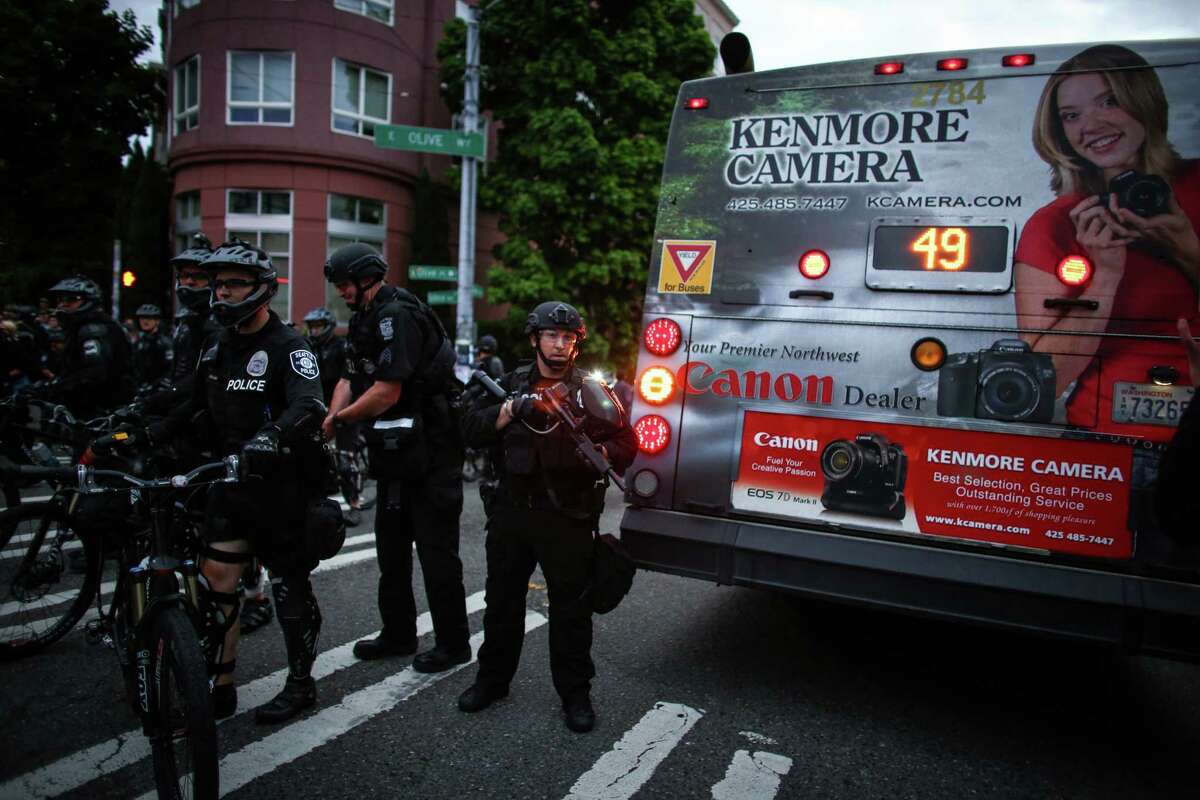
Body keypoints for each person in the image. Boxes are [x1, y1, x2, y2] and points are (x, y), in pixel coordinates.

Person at [122, 241, 332, 723]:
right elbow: (188, 401)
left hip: (281, 487)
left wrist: (271, 435)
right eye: (217, 283)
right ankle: (220, 682)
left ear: (261, 289)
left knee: (289, 590)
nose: (222, 291)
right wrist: (139, 426)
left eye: (233, 282)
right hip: (229, 481)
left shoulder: (290, 345)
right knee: (218, 581)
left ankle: (301, 683)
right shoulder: (216, 343)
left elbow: (309, 405)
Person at [457, 301, 636, 733]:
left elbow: (628, 442)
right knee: (501, 604)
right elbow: (468, 427)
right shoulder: (510, 383)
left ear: (576, 344)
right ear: (535, 338)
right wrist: (509, 411)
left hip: (568, 517)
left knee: (571, 612)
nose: (560, 344)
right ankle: (492, 681)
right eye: (552, 336)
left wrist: (602, 454)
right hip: (512, 512)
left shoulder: (589, 389)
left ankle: (575, 694)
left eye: (568, 337)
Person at [1014, 44, 1200, 438]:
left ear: (1144, 101)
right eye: (1071, 116)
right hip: (1101, 439)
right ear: (1060, 133)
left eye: (1109, 101)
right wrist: (1104, 277)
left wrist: (1185, 247)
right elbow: (1046, 380)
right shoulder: (1055, 224)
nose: (1091, 125)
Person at [321, 243, 470, 672]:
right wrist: (332, 416)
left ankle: (453, 643)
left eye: (346, 284)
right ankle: (399, 634)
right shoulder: (364, 317)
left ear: (367, 278)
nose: (342, 293)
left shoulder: (397, 315)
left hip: (433, 452)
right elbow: (352, 377)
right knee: (391, 551)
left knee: (437, 554)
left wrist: (340, 422)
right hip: (396, 454)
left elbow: (388, 390)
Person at [305, 306, 366, 526]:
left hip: (346, 408)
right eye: (311, 327)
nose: (314, 331)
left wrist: (347, 410)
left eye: (318, 327)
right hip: (320, 408)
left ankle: (355, 503)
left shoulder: (341, 348)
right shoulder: (309, 348)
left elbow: (350, 381)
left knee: (344, 459)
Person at [42, 276, 133, 418]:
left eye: (71, 299)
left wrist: (59, 387)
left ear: (87, 301)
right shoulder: (79, 328)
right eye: (60, 299)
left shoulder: (93, 330)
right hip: (83, 404)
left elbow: (95, 373)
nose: (62, 305)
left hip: (101, 408)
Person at [132, 304, 173, 390]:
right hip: (140, 387)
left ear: (157, 321)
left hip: (159, 389)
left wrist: (156, 385)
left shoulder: (164, 343)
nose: (145, 321)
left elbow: (169, 369)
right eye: (142, 318)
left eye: (149, 318)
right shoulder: (138, 342)